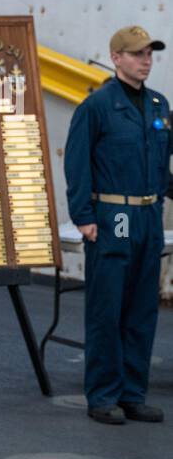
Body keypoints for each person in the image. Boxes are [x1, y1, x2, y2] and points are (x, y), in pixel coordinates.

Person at [64, 25, 169, 425]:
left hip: (148, 215)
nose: (146, 60)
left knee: (143, 308)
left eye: (149, 54)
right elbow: (77, 163)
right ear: (116, 57)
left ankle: (132, 393)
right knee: (109, 307)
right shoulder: (97, 106)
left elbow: (162, 166)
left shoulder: (159, 105)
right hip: (115, 217)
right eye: (137, 53)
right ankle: (104, 394)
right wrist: (84, 217)